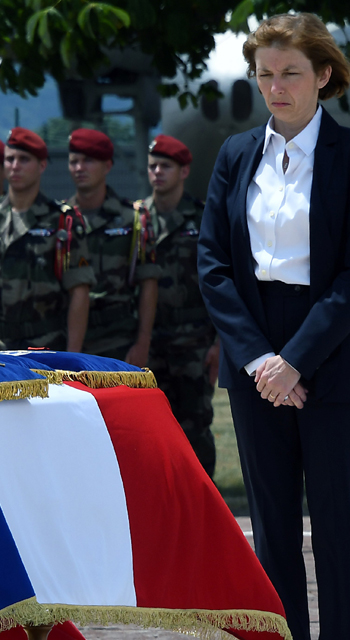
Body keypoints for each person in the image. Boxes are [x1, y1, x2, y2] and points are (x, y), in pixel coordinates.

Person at [197, 14, 350, 640]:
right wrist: (260, 362)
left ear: (323, 75)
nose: (276, 87)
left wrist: (296, 361)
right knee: (272, 531)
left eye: (290, 73)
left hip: (330, 353)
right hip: (256, 360)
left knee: (336, 534)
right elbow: (213, 266)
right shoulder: (233, 154)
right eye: (265, 75)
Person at [0, 127, 94, 351]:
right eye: (10, 159)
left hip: (45, 346)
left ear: (42, 165)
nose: (15, 166)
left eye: (24, 160)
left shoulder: (61, 221)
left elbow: (79, 292)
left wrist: (73, 356)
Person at [140, 134, 220, 478]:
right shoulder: (136, 219)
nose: (158, 172)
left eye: (166, 166)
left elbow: (220, 284)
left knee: (195, 426)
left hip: (193, 342)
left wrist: (220, 342)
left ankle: (205, 501)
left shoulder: (203, 219)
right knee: (149, 429)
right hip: (149, 341)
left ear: (184, 171)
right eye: (153, 166)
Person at [65, 128, 159, 362]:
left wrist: (143, 342)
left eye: (88, 161)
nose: (79, 168)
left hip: (118, 340)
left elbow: (148, 283)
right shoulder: (61, 219)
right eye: (74, 161)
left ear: (107, 166)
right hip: (68, 337)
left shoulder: (133, 219)